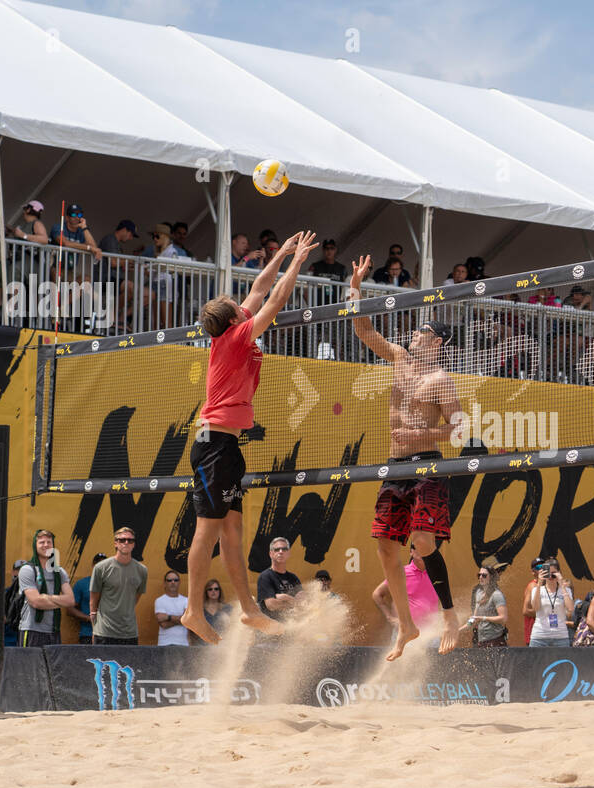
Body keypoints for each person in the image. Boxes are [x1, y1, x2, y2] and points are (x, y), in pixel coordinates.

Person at [179, 231, 318, 646]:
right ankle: (191, 610)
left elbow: (259, 289)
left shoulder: (232, 330)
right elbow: (273, 301)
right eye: (240, 311)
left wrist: (281, 255)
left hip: (228, 447)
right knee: (207, 531)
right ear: (234, 321)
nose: (246, 310)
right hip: (213, 448)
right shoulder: (237, 338)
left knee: (233, 534)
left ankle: (249, 611)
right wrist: (298, 263)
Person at [348, 254, 463, 660]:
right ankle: (407, 626)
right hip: (396, 467)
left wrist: (420, 432)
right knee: (383, 547)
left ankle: (449, 616)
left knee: (423, 543)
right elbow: (362, 328)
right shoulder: (398, 357)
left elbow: (459, 428)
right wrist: (356, 286)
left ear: (437, 342)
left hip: (429, 464)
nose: (414, 334)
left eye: (423, 331)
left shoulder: (440, 379)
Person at [89, 526, 148, 645]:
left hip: (130, 633)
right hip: (104, 632)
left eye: (130, 540)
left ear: (133, 544)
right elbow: (93, 599)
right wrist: (95, 627)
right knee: (103, 664)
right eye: (122, 540)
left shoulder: (142, 570)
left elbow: (135, 598)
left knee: (129, 664)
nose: (126, 543)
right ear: (116, 543)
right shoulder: (101, 568)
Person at [18, 529, 76, 648]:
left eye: (49, 542)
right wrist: (59, 601)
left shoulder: (60, 572)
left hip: (53, 630)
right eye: (42, 542)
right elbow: (36, 602)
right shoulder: (28, 570)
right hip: (32, 629)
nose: (46, 545)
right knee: (30, 666)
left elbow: (70, 600)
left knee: (51, 667)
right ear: (35, 545)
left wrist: (46, 598)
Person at [373, 552, 441, 647]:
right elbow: (377, 594)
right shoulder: (402, 572)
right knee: (404, 661)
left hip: (431, 635)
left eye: (424, 548)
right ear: (411, 552)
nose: (421, 551)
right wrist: (390, 617)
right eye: (417, 548)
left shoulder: (437, 574)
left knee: (434, 661)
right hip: (406, 633)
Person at [460, 558, 509, 648]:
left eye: (484, 575)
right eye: (479, 575)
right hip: (481, 642)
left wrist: (483, 618)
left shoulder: (497, 594)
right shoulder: (478, 593)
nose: (480, 577)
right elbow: (474, 620)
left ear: (491, 577)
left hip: (496, 642)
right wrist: (458, 630)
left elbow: (504, 618)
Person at [257, 537, 302, 626]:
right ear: (271, 554)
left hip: (291, 630)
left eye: (284, 549)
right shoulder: (265, 576)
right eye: (277, 549)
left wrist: (283, 597)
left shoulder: (294, 578)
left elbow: (303, 602)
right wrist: (292, 600)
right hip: (270, 633)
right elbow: (271, 605)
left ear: (288, 553)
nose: (280, 552)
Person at [529, 561, 574, 648]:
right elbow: (535, 607)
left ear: (559, 573)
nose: (550, 576)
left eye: (553, 573)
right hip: (540, 636)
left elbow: (570, 608)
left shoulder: (566, 590)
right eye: (547, 573)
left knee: (561, 662)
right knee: (536, 662)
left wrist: (561, 584)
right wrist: (539, 583)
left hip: (560, 636)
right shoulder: (537, 590)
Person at [68, 552, 107, 645]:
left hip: (110, 634)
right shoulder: (82, 584)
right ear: (93, 565)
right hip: (88, 634)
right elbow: (69, 609)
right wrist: (88, 618)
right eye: (98, 564)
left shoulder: (114, 585)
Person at [154, 571, 190, 647]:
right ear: (165, 583)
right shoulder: (160, 601)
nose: (173, 582)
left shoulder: (186, 600)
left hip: (183, 643)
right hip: (165, 643)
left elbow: (187, 621)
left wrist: (168, 617)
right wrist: (181, 620)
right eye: (169, 580)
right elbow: (163, 624)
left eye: (175, 580)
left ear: (179, 582)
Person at [199, 579, 234, 645]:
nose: (213, 591)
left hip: (222, 646)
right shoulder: (200, 610)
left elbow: (232, 629)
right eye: (210, 589)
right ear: (206, 592)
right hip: (202, 647)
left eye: (216, 589)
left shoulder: (228, 608)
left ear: (220, 591)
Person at [521, 557, 546, 645]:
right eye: (539, 567)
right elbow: (525, 611)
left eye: (544, 566)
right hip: (534, 636)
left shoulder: (550, 586)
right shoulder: (532, 586)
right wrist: (545, 614)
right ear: (533, 572)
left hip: (547, 635)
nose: (542, 569)